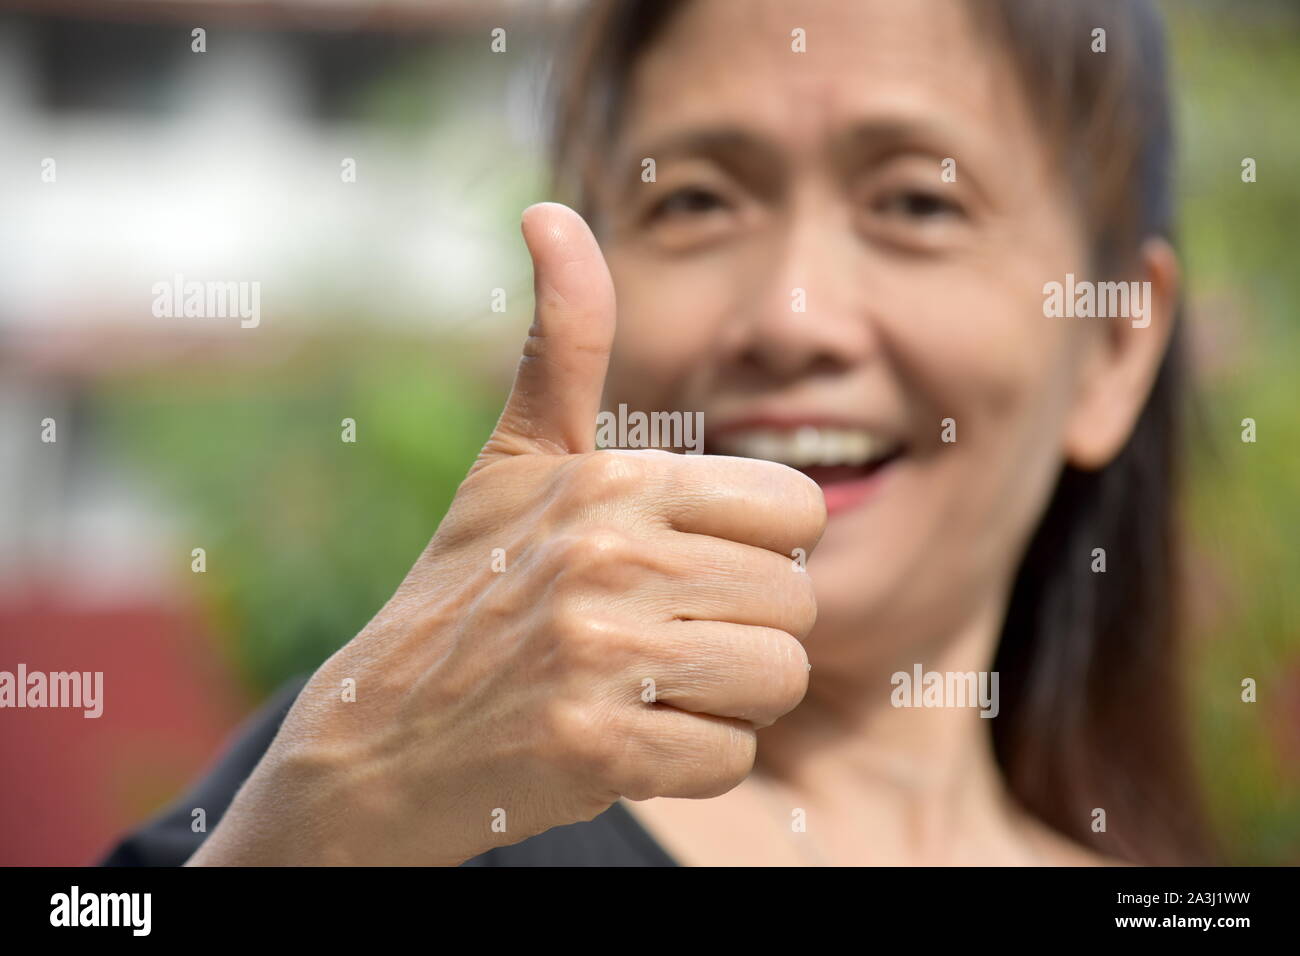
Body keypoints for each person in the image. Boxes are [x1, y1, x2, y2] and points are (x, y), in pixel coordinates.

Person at [101, 0, 1216, 867]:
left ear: (1113, 345)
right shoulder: (394, 785)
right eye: (693, 200)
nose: (789, 316)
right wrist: (335, 820)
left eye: (917, 203)